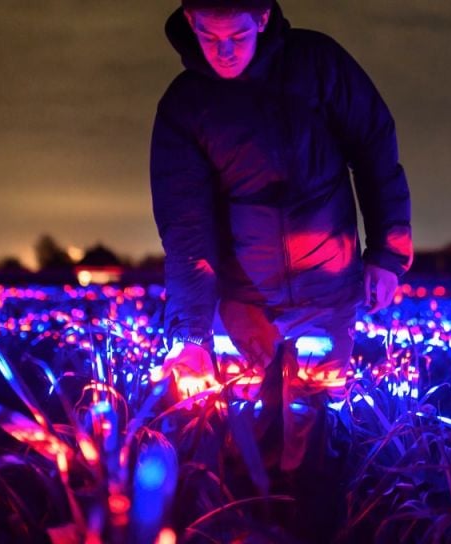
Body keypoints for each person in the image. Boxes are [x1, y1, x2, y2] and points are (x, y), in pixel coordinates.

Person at [149, 0, 412, 479]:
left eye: (238, 36)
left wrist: (388, 254)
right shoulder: (184, 107)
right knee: (241, 442)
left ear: (263, 19)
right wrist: (191, 333)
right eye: (210, 38)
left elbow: (375, 151)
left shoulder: (317, 64)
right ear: (190, 22)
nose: (224, 52)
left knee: (320, 436)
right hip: (242, 303)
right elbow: (186, 229)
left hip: (327, 291)